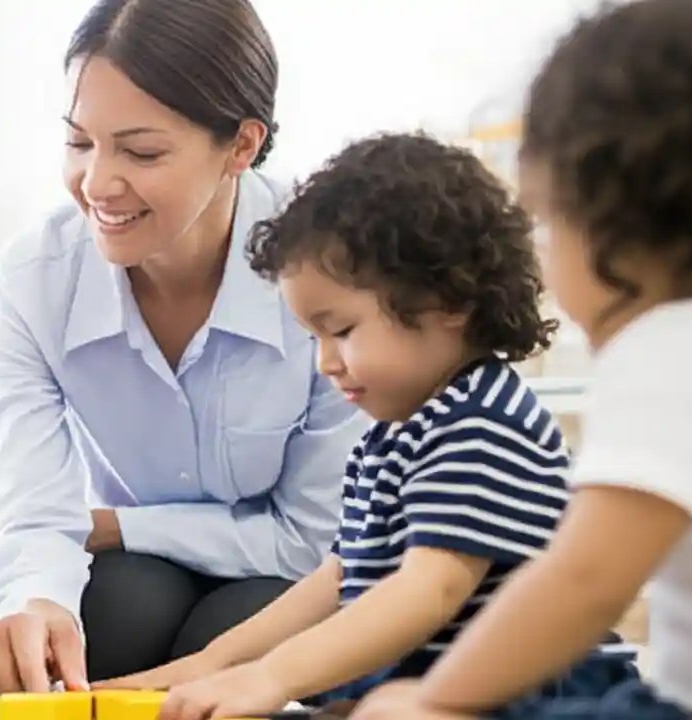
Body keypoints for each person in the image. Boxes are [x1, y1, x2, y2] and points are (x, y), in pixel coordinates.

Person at [100, 133, 637, 718]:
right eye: (314, 338)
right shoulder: (396, 431)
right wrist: (212, 663)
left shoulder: (482, 424)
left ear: (448, 301)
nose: (325, 362)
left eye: (343, 332)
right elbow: (338, 577)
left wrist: (274, 677)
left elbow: (429, 590)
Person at [0, 0, 367, 691]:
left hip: (295, 576)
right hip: (136, 578)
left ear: (242, 146)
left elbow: (317, 542)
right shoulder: (33, 280)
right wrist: (32, 604)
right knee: (108, 616)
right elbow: (32, 512)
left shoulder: (333, 271)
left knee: (245, 625)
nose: (96, 183)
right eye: (79, 142)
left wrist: (120, 527)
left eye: (141, 151)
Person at [352, 1, 692, 718]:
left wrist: (431, 701)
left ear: (607, 220)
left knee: (393, 708)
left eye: (546, 220)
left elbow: (585, 579)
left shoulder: (668, 346)